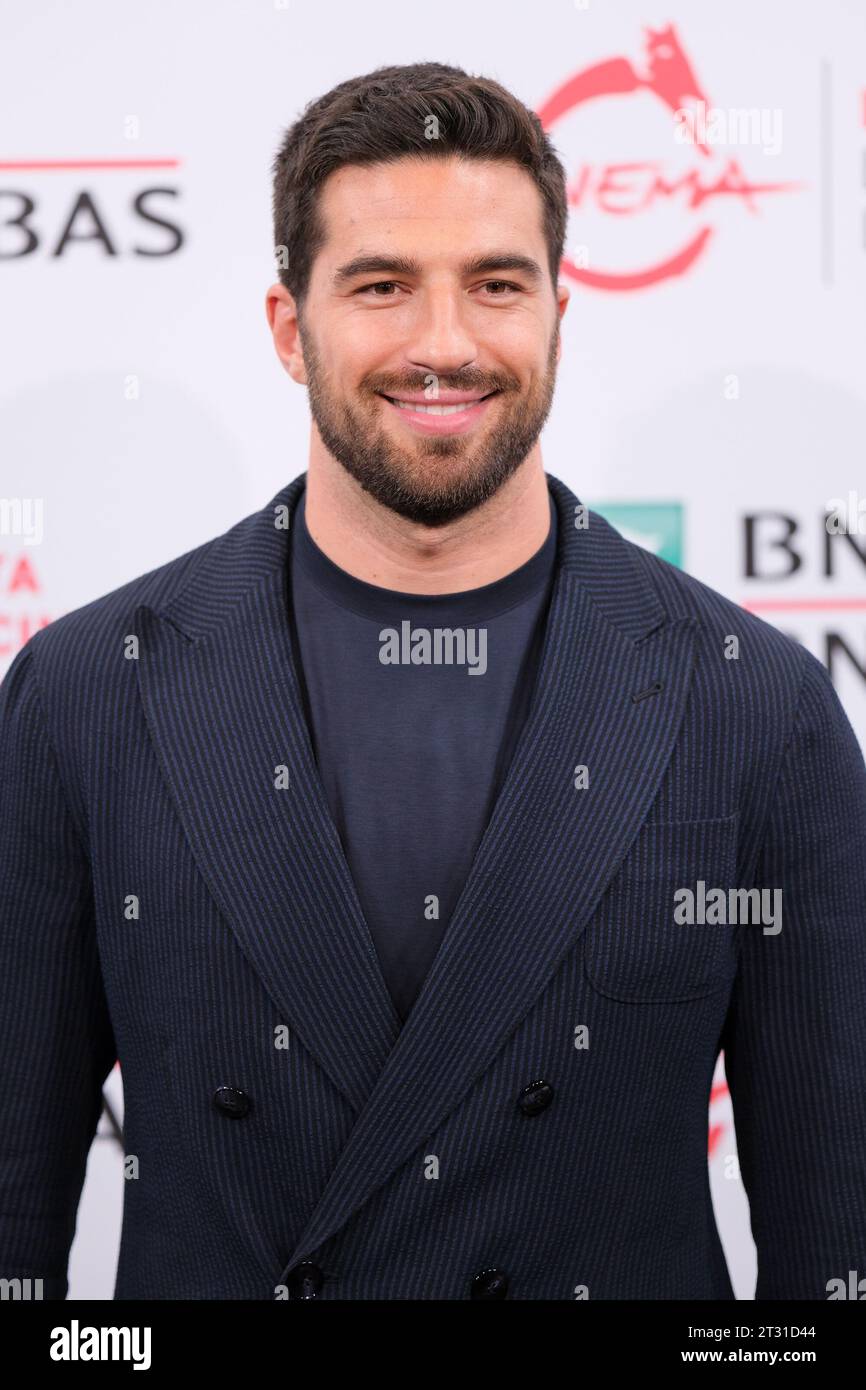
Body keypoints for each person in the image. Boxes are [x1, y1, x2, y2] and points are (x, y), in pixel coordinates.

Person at [1, 62, 865, 1302]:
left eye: (496, 286)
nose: (444, 343)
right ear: (290, 329)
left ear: (559, 316)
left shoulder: (753, 707)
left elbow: (829, 1243)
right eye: (382, 286)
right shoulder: (86, 693)